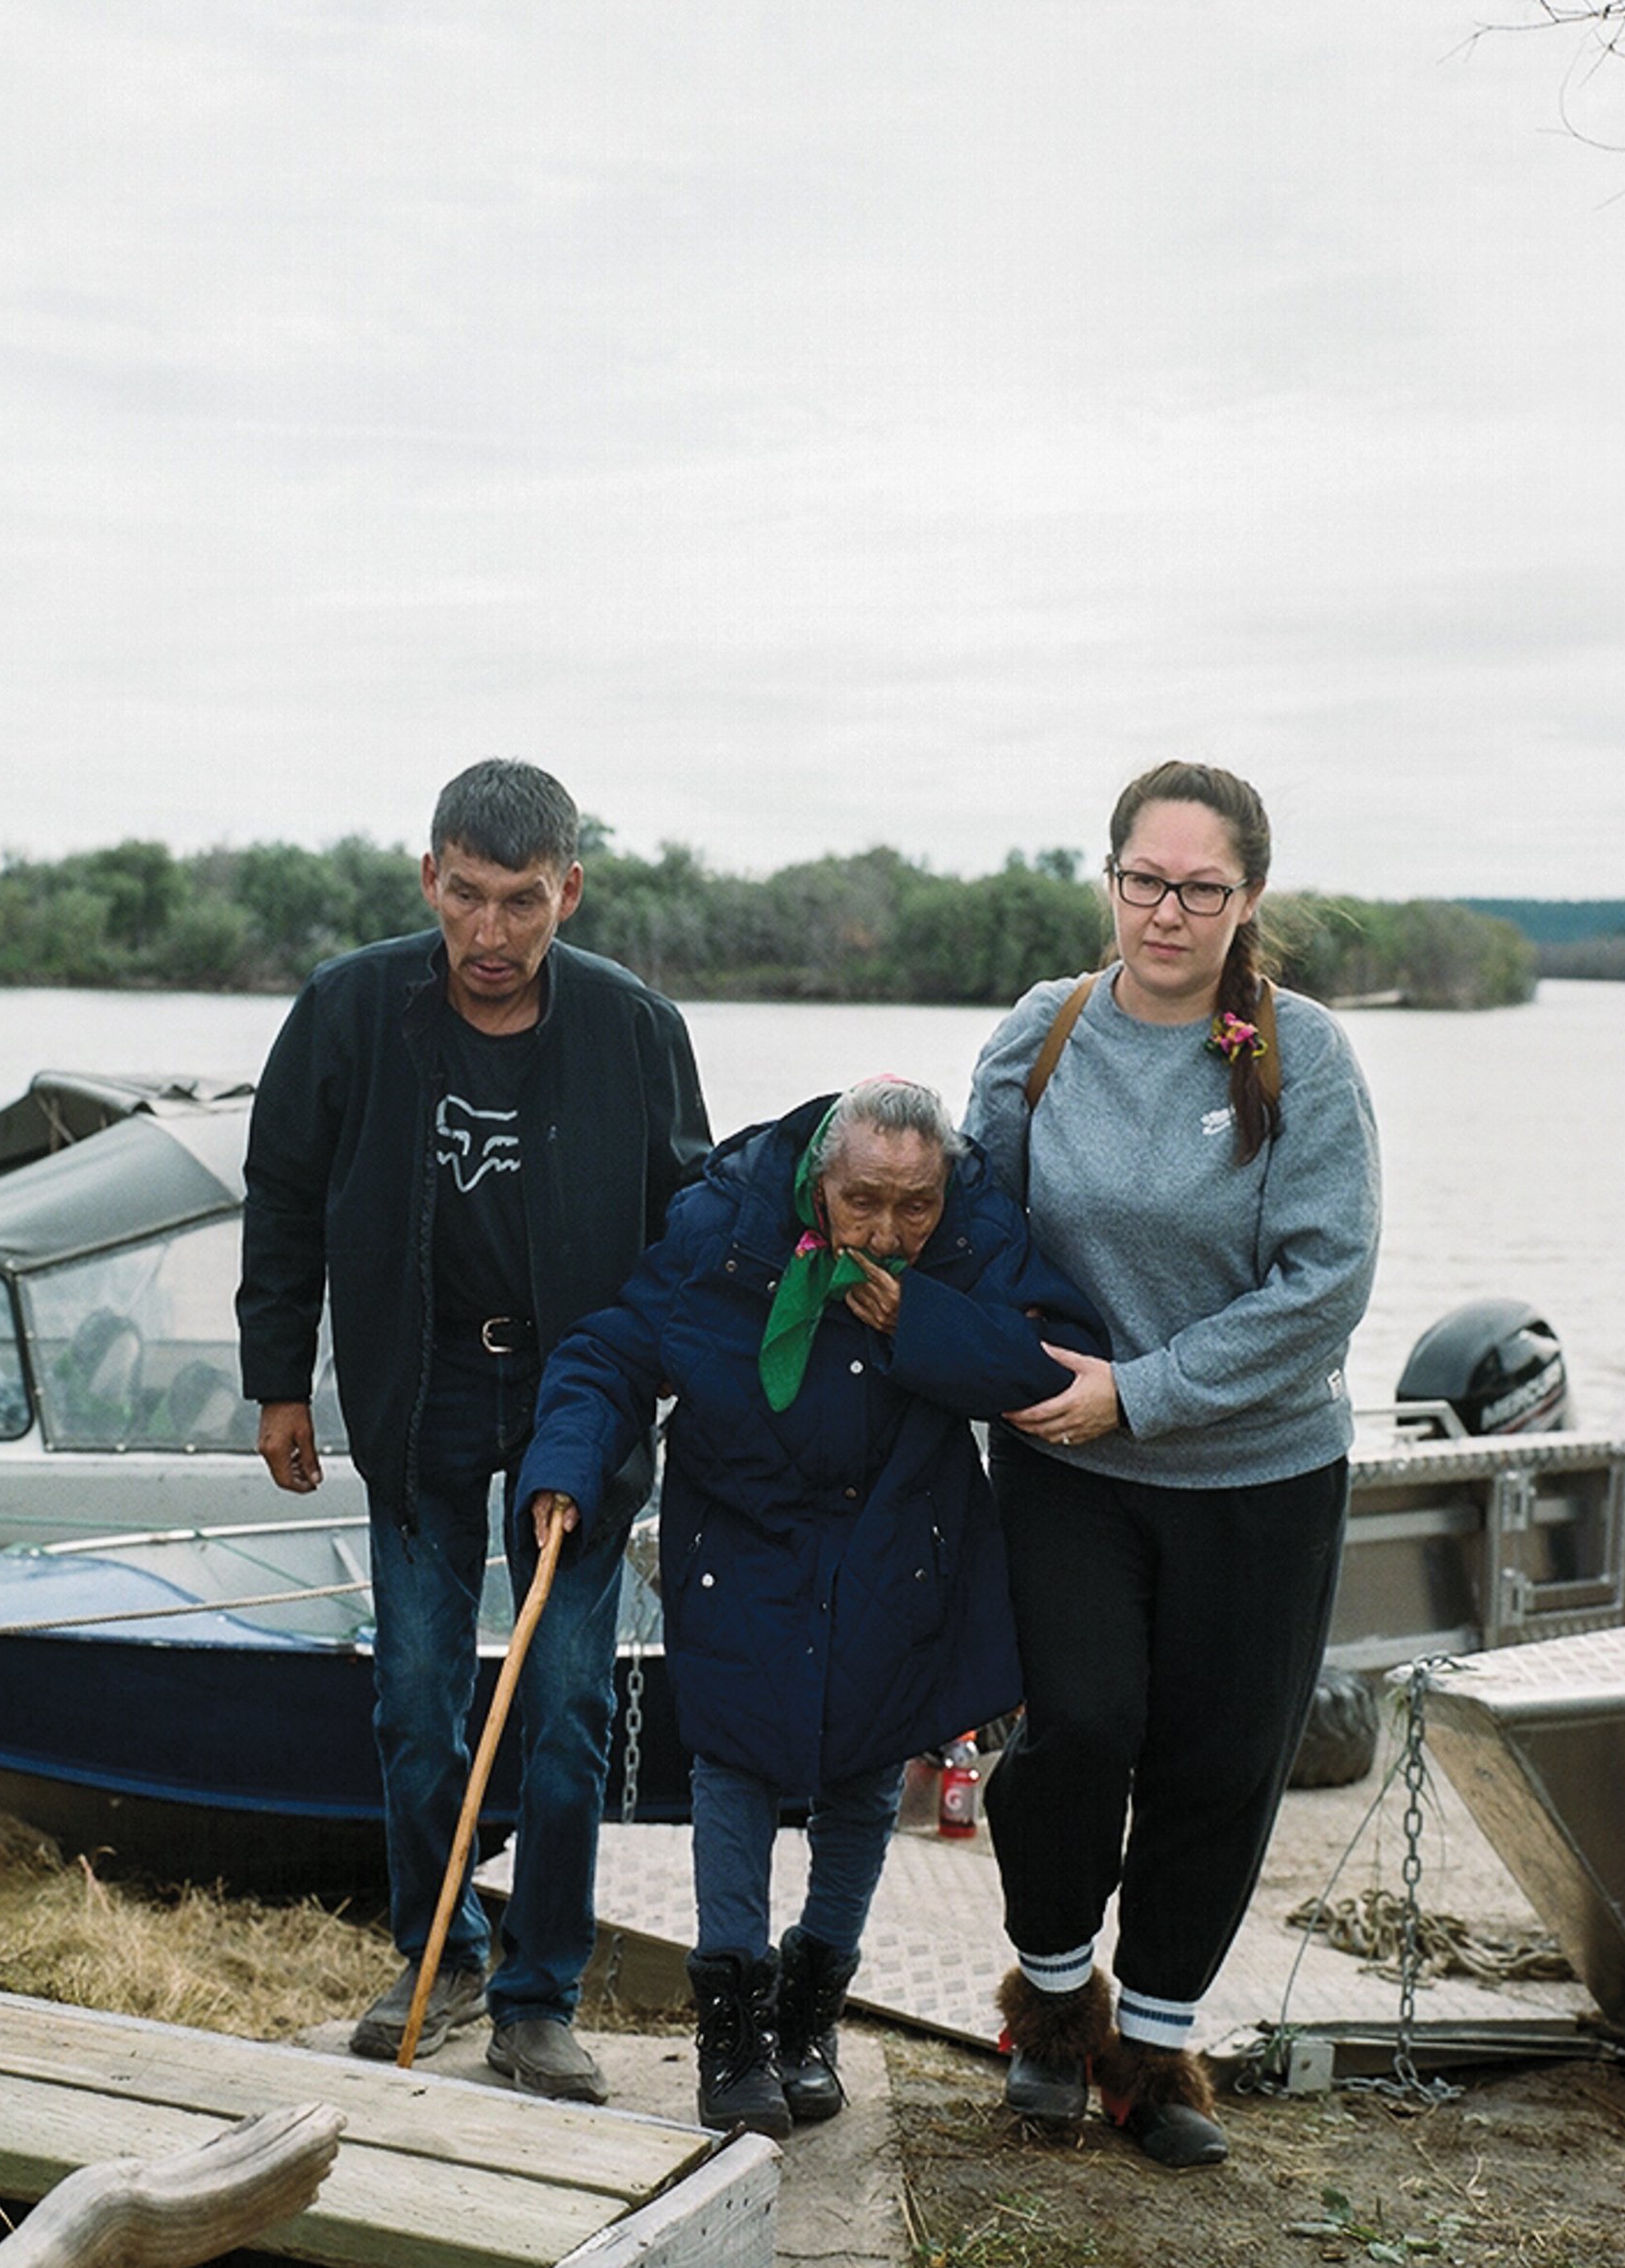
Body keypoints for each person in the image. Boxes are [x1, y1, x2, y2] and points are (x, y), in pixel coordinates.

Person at [236, 759, 710, 2104]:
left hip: (579, 1396)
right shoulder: (347, 1008)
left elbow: (689, 1226)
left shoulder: (635, 1029)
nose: (489, 936)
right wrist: (281, 1379)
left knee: (562, 1708)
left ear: (570, 888)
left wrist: (669, 1388)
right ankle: (436, 1957)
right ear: (425, 875)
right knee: (414, 1704)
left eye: (520, 903)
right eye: (464, 897)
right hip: (415, 1387)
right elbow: (281, 1193)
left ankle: (538, 1994)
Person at [516, 1077, 1103, 2136]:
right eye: (862, 1202)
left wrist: (916, 1313)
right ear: (814, 1184)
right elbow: (611, 1351)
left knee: (867, 1771)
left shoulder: (974, 1232)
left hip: (893, 1539)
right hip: (740, 1536)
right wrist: (565, 1462)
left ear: (945, 1187)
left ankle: (807, 2019)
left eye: (913, 1205)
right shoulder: (721, 1223)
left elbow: (1047, 1365)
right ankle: (732, 2032)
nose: (887, 1230)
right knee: (733, 1766)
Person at [962, 759, 1382, 2170]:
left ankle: (1152, 2057)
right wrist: (1012, 1378)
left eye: (1203, 888)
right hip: (1066, 1467)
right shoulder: (1045, 1032)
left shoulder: (1298, 1052)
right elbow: (981, 1231)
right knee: (1074, 1730)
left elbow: (1325, 1279)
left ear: (1248, 896)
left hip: (1260, 1475)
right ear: (1111, 877)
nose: (1168, 911)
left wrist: (1140, 1395)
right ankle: (1055, 2005)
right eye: (1146, 879)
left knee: (1220, 1765)